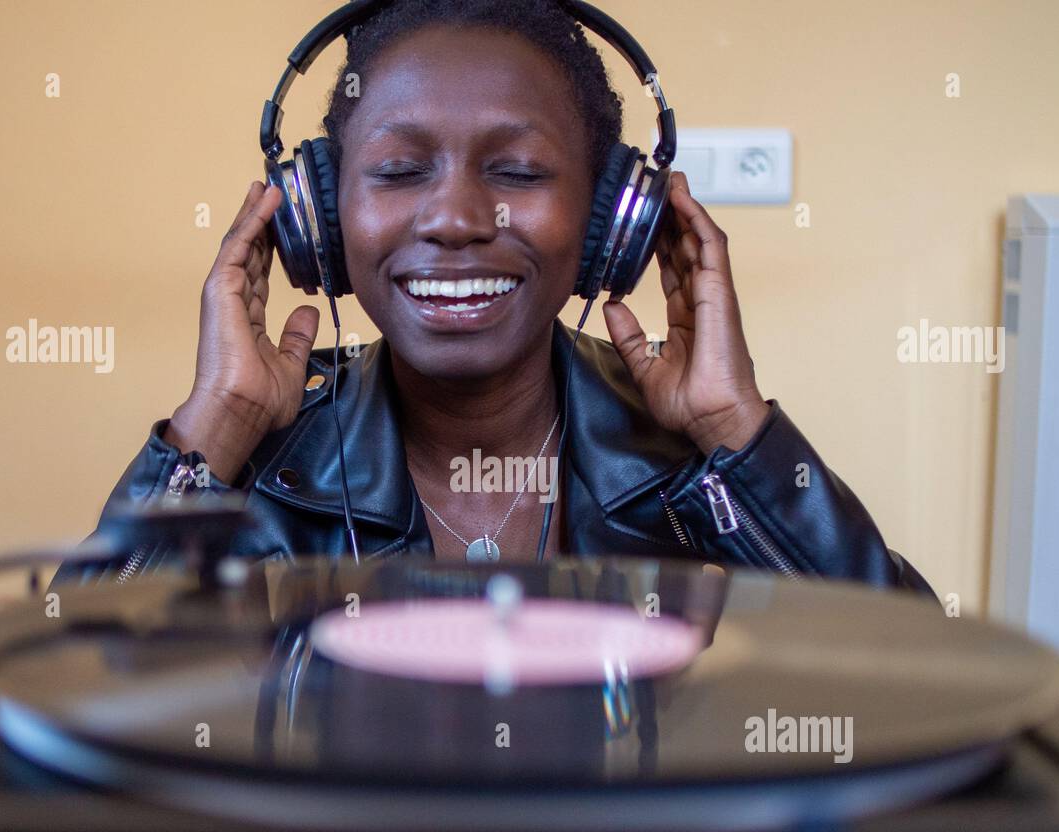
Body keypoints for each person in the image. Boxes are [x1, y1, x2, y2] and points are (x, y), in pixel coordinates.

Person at [51, 0, 936, 600]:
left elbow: (918, 682)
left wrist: (738, 437)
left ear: (607, 220)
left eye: (517, 170)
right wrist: (216, 427)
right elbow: (56, 691)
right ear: (319, 211)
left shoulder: (696, 465)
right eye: (399, 171)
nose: (458, 219)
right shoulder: (253, 463)